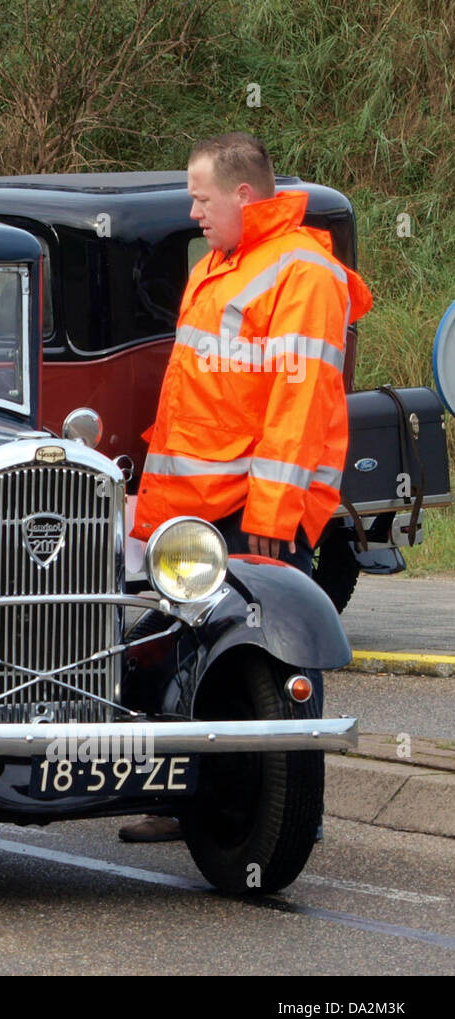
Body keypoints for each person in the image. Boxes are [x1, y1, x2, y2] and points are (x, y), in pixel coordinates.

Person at [119, 132, 372, 843]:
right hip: (201, 510)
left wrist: (270, 512)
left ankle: (289, 815)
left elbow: (298, 408)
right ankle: (182, 797)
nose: (193, 211)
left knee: (278, 652)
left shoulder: (301, 275)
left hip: (254, 513)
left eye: (201, 197)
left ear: (241, 194)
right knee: (186, 646)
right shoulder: (221, 265)